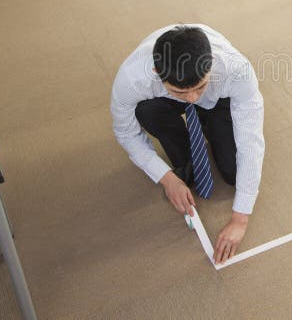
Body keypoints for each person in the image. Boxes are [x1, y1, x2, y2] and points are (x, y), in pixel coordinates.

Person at [111, 25, 264, 264]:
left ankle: (208, 119)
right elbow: (126, 133)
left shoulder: (237, 70)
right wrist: (166, 178)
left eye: (200, 87)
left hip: (219, 99)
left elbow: (251, 139)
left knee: (234, 172)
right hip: (160, 103)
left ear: (211, 65)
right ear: (156, 73)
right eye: (182, 92)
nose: (193, 97)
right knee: (147, 111)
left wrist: (240, 219)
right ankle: (183, 149)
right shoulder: (132, 79)